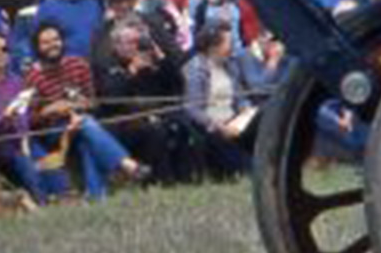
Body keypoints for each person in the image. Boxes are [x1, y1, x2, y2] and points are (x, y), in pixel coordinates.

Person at [24, 19, 137, 200]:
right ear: (37, 48)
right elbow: (30, 120)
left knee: (86, 138)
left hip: (80, 123)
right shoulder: (33, 76)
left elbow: (93, 102)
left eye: (55, 39)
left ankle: (96, 196)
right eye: (45, 42)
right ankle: (127, 164)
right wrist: (50, 110)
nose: (52, 45)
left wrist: (77, 105)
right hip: (53, 131)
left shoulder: (78, 65)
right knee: (87, 125)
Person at [0, 31, 61, 203]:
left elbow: (24, 115)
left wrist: (24, 134)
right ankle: (42, 203)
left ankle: (62, 196)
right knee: (26, 164)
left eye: (4, 49)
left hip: (22, 138)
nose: (0, 54)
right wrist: (4, 117)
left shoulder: (16, 81)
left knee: (50, 165)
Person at [96, 16, 184, 182]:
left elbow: (176, 84)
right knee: (154, 131)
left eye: (138, 41)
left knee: (183, 124)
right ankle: (158, 181)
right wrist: (131, 71)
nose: (135, 47)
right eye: (130, 42)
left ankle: (187, 177)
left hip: (156, 113)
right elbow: (109, 98)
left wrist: (161, 58)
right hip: (123, 121)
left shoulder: (148, 58)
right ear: (116, 45)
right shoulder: (106, 64)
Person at [179, 19, 244, 177]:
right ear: (214, 46)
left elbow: (240, 96)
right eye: (228, 42)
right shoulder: (195, 69)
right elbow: (192, 108)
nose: (232, 46)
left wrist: (246, 110)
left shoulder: (230, 65)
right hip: (212, 124)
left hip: (234, 120)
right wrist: (217, 125)